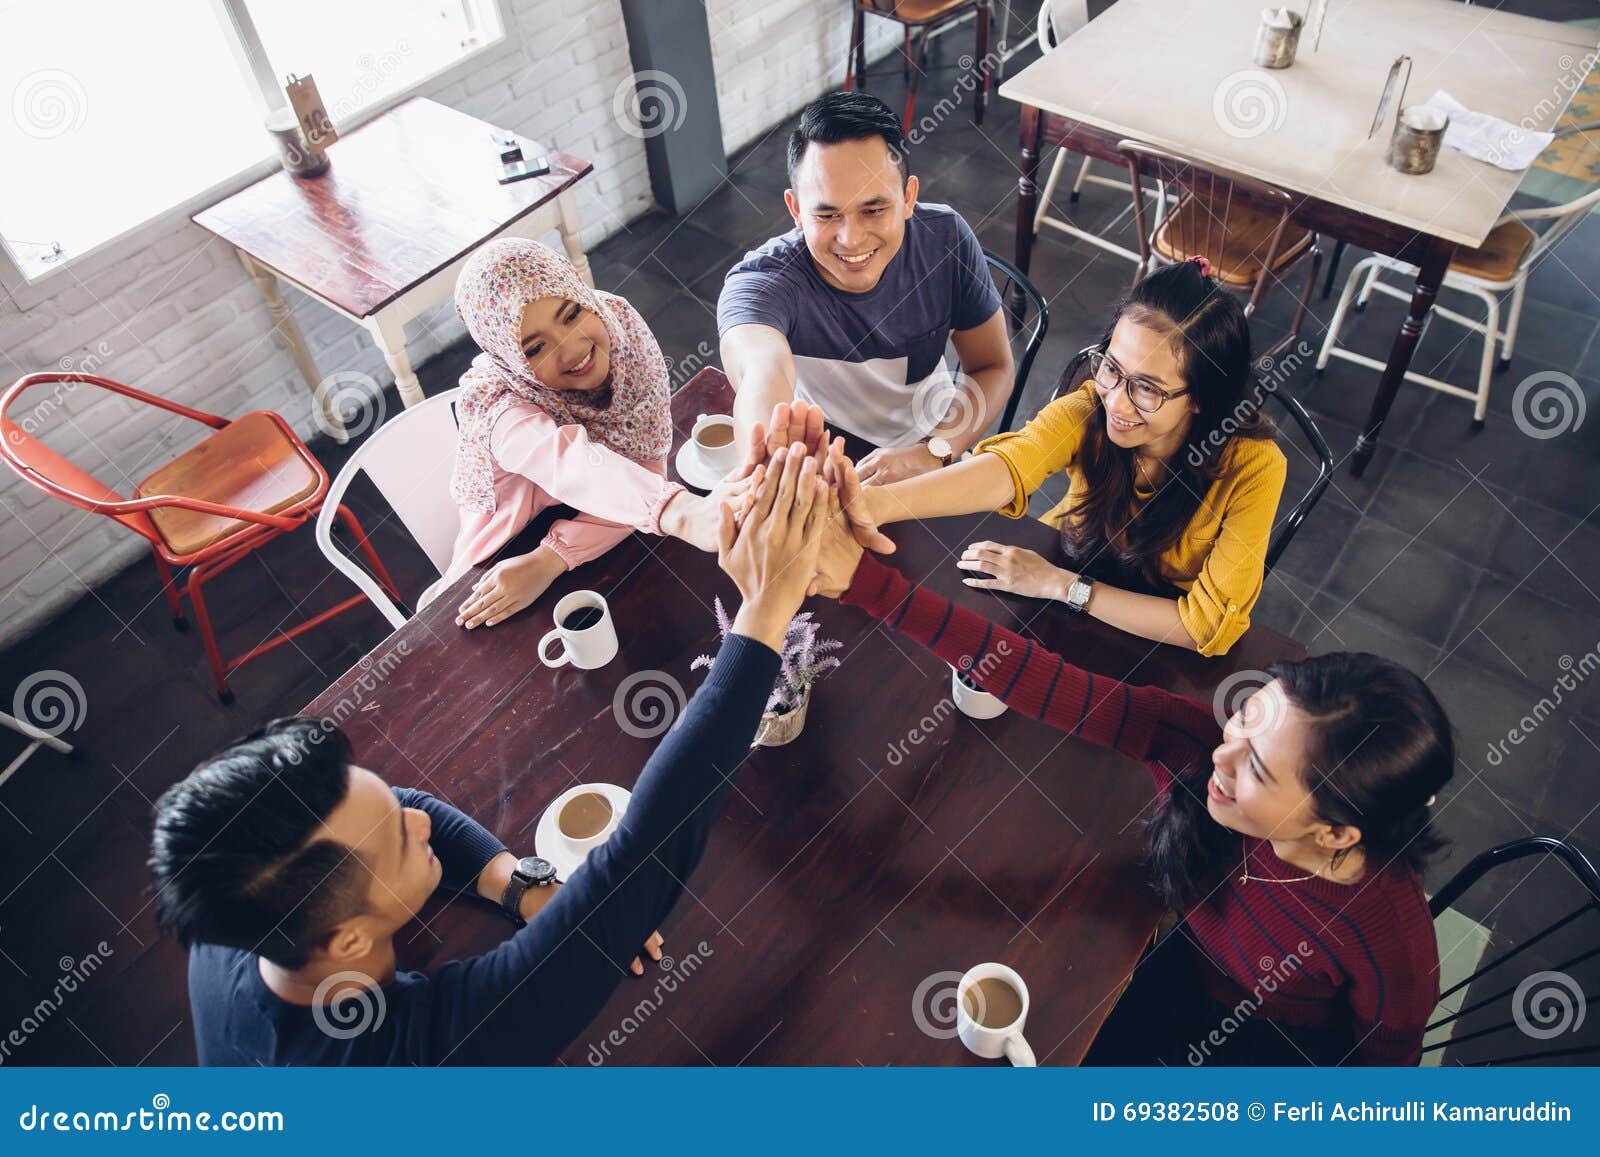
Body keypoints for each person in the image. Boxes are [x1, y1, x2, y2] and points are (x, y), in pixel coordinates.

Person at [149, 446, 830, 1065]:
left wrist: (518, 884)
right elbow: (640, 860)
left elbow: (407, 810)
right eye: (398, 841)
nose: (416, 817)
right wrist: (764, 614)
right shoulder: (429, 1057)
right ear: (348, 942)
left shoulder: (236, 907)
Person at [806, 500, 1453, 1065]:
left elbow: (1378, 1078)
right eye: (1246, 719)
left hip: (1271, 1050)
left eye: (1257, 768)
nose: (1223, 757)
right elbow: (1044, 678)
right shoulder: (1202, 743)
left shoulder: (1390, 936)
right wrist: (870, 585)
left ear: (1336, 830)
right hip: (1180, 968)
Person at [846, 258, 1288, 656]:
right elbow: (1009, 467)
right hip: (1066, 574)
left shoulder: (1255, 467)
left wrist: (1064, 587)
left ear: (1202, 400)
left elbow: (1205, 626)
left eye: (1147, 389)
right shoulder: (1089, 407)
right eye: (1112, 368)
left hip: (1147, 638)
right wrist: (872, 506)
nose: (1116, 402)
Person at [427, 238, 753, 629]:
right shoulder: (499, 412)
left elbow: (644, 468)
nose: (571, 349)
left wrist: (550, 559)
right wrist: (682, 514)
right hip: (499, 572)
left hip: (590, 542)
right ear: (509, 358)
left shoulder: (619, 328)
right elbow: (572, 464)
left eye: (569, 315)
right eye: (534, 349)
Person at [718, 91, 1014, 485]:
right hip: (822, 452)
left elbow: (993, 366)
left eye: (873, 210)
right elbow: (760, 369)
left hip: (932, 442)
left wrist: (932, 452)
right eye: (827, 214)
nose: (852, 239)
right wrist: (764, 464)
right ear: (796, 211)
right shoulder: (762, 282)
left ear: (908, 197)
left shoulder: (945, 240)